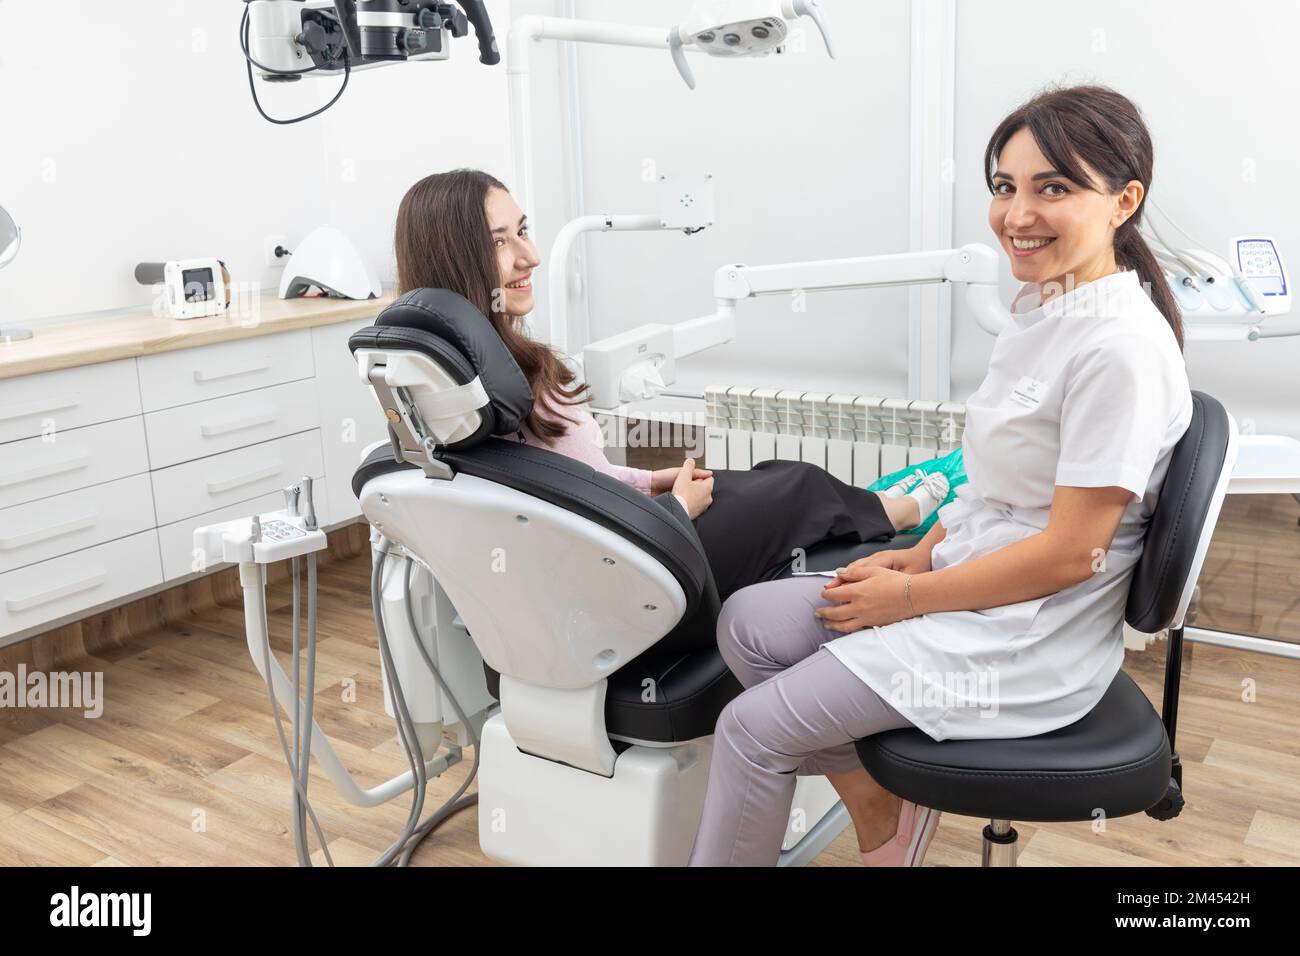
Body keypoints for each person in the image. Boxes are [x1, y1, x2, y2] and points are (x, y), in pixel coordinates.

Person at [685, 84, 1195, 867]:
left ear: (1124, 201)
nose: (1017, 215)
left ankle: (881, 827)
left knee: (751, 730)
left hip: (1027, 641)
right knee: (749, 625)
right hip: (967, 584)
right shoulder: (1042, 310)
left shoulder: (1118, 349)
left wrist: (911, 598)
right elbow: (992, 485)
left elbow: (1070, 555)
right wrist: (917, 554)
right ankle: (879, 802)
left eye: (1053, 188)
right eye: (1005, 186)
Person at [392, 168, 950, 604]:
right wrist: (676, 511)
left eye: (524, 230)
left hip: (624, 538)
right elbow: (557, 521)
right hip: (638, 567)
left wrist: (650, 481)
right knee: (795, 486)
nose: (529, 255)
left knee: (768, 476)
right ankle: (898, 513)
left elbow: (563, 486)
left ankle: (878, 509)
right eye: (500, 241)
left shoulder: (456, 387)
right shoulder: (495, 388)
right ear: (458, 256)